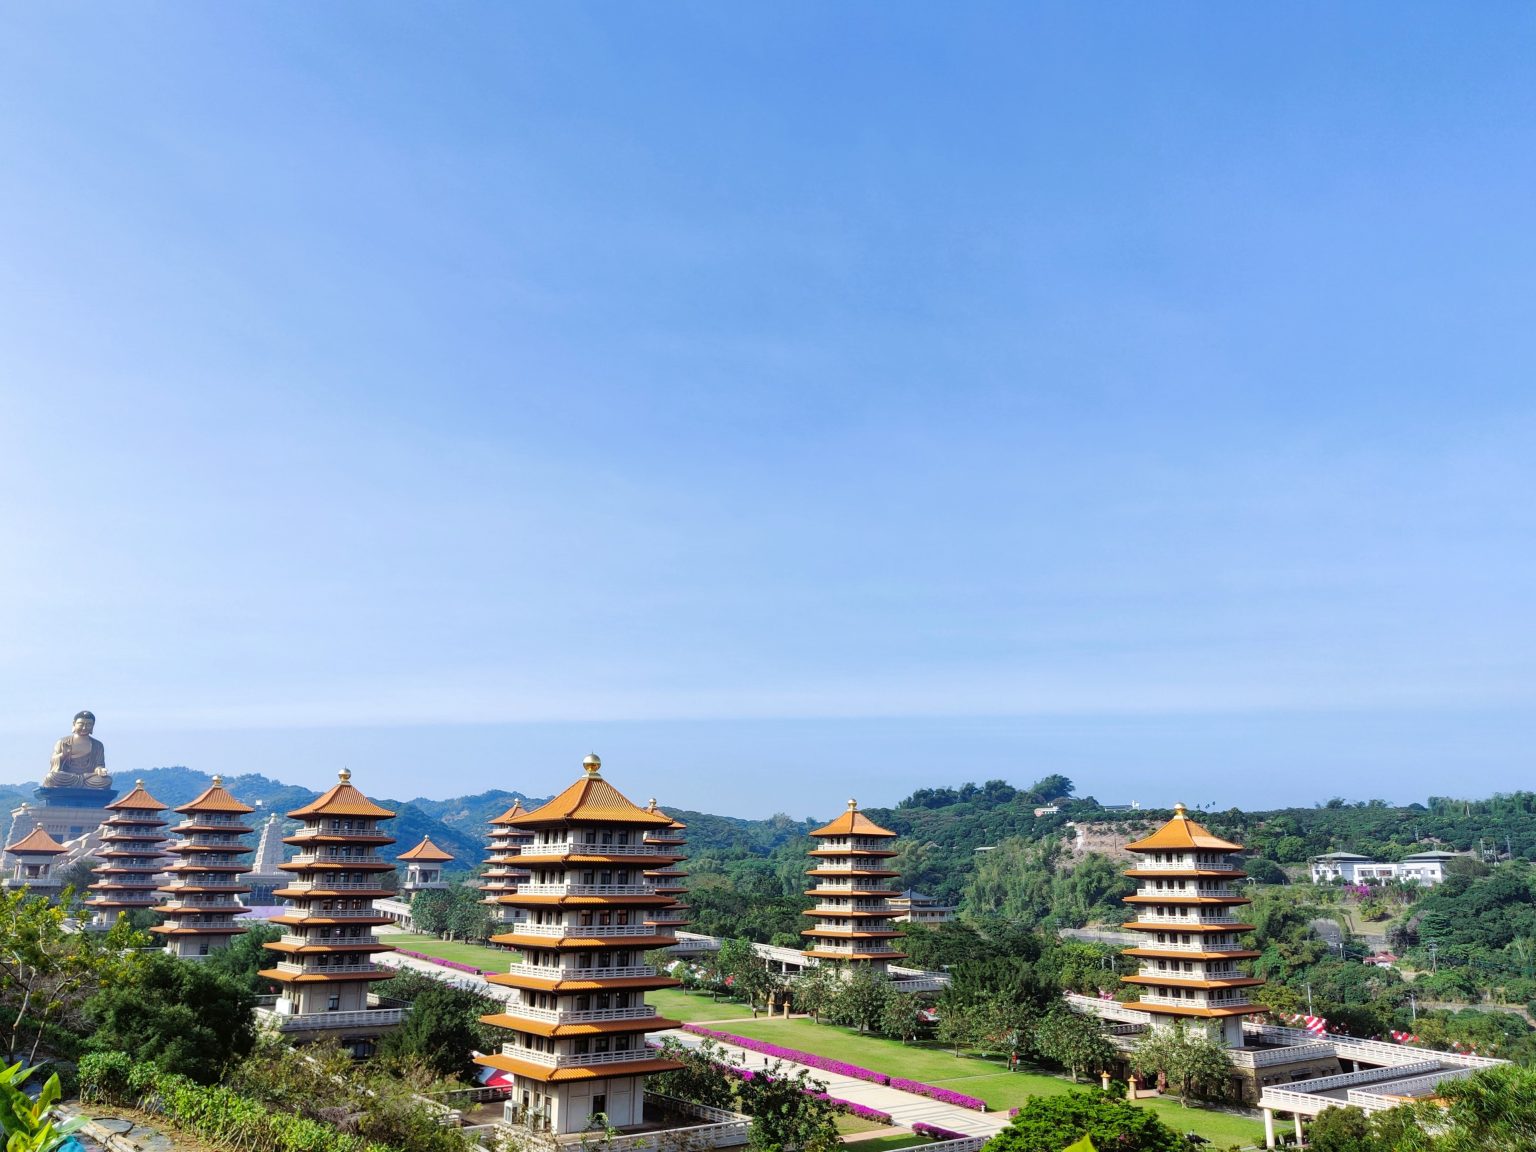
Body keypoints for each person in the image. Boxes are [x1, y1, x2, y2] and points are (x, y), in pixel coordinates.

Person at [42, 711, 112, 789]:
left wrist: (99, 769)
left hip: (88, 778)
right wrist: (62, 755)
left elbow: (99, 764)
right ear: (74, 724)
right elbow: (53, 761)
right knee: (51, 777)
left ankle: (81, 783)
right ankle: (81, 783)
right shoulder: (63, 742)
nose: (84, 728)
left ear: (93, 726)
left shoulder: (98, 745)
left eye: (88, 724)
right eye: (81, 724)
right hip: (67, 777)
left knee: (107, 780)